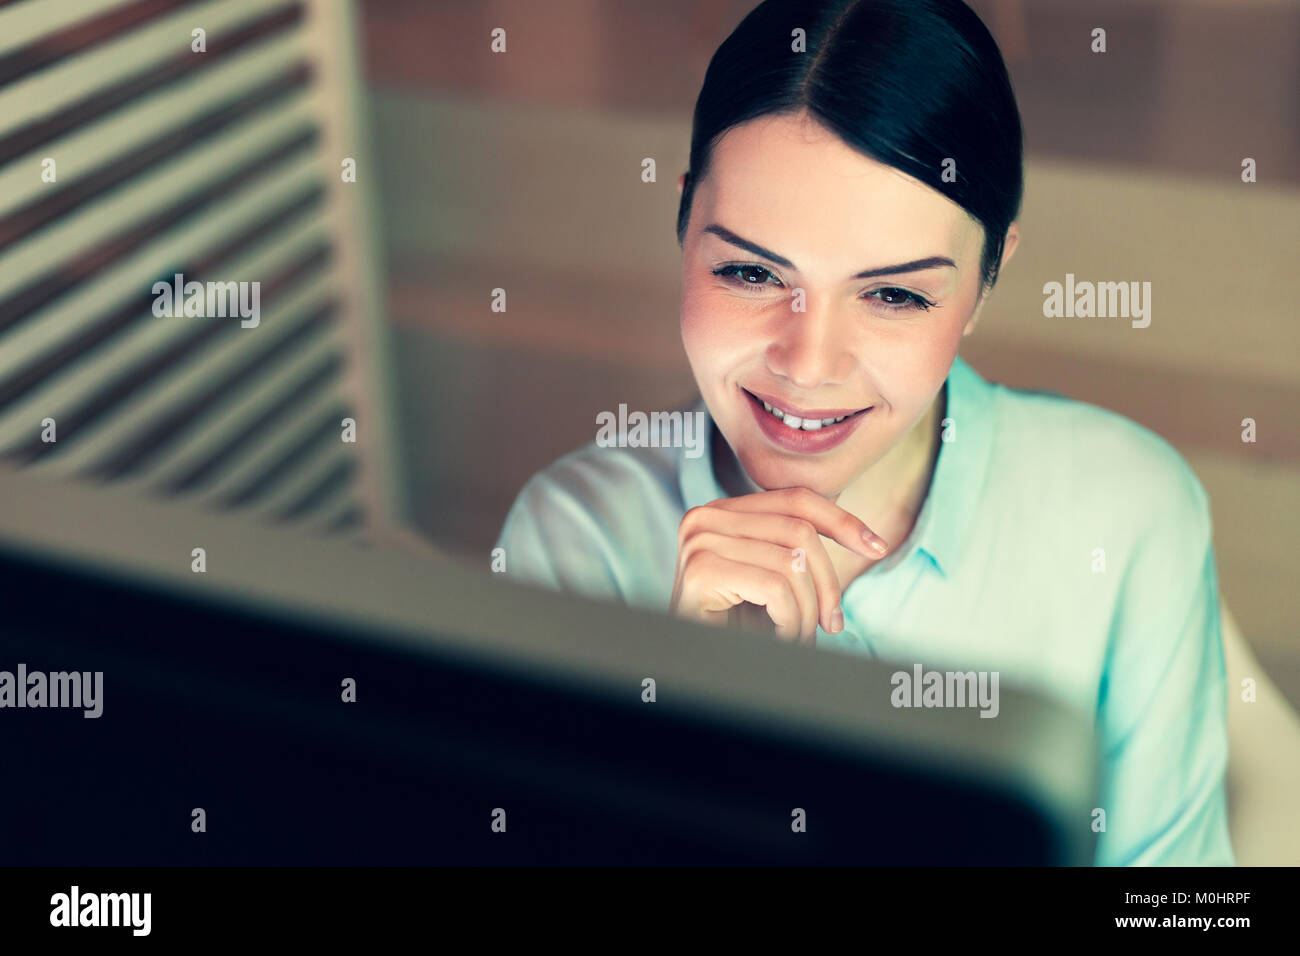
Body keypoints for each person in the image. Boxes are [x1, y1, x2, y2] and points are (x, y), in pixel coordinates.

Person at [494, 0, 1233, 867]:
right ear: (684, 223)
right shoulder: (573, 543)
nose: (807, 366)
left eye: (894, 294)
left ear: (988, 278)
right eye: (749, 271)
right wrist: (691, 702)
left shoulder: (1129, 519)